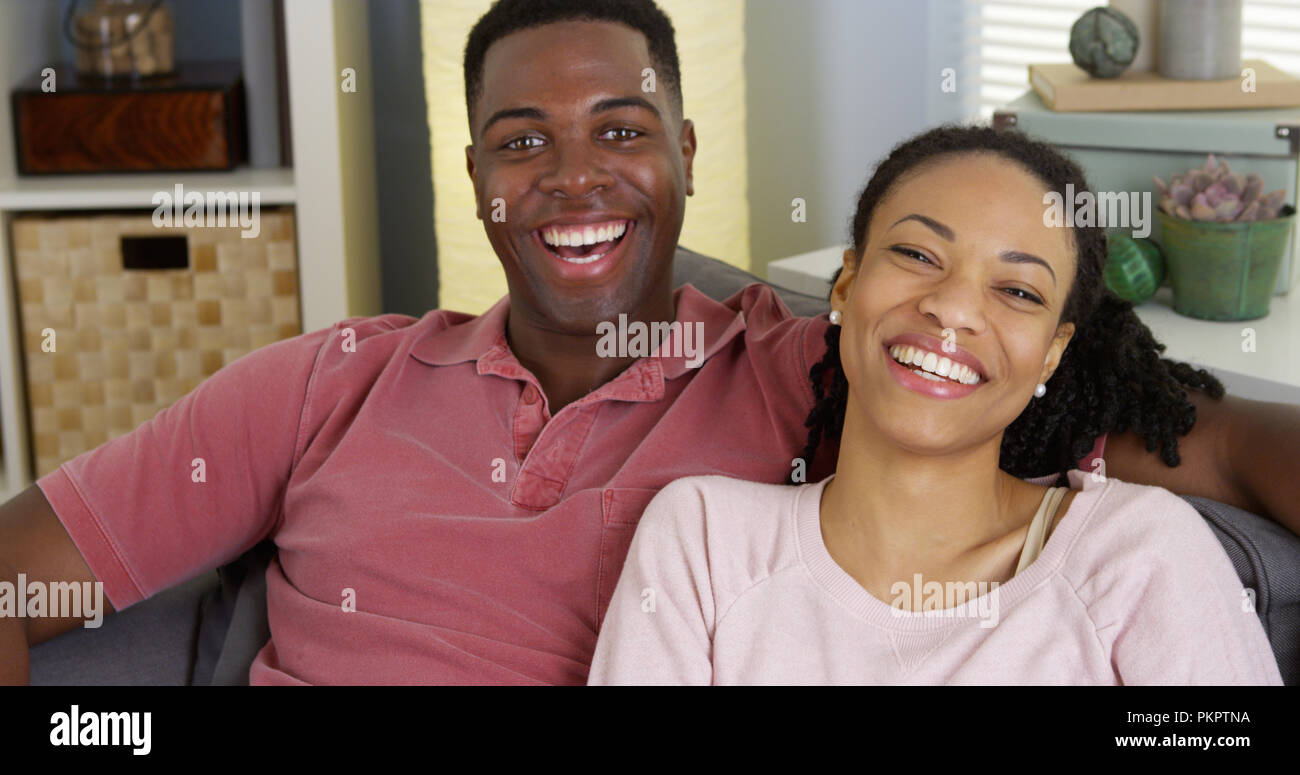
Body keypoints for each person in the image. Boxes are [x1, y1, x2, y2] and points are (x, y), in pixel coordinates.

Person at [0, 0, 1296, 685]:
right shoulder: (327, 383)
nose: (574, 178)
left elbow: (1223, 444)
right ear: (475, 177)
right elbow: (17, 580)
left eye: (620, 131)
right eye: (523, 141)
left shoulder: (826, 375)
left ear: (685, 151)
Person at [587, 126, 1283, 685]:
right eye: (918, 255)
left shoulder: (1141, 555)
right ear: (846, 286)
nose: (951, 308)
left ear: (1051, 352)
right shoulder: (703, 542)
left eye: (1018, 291)